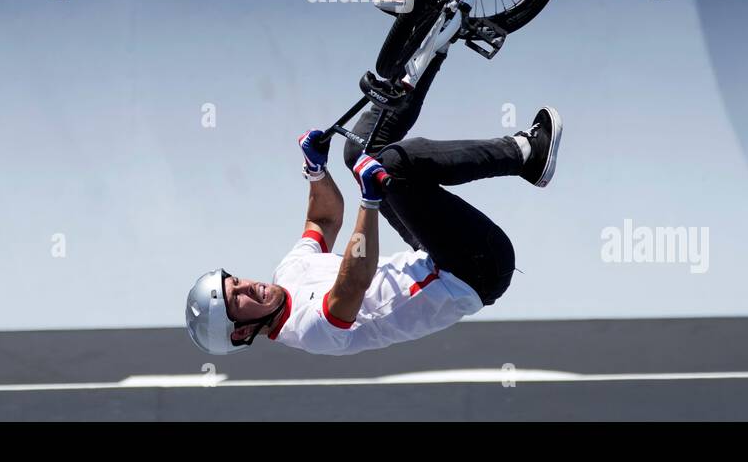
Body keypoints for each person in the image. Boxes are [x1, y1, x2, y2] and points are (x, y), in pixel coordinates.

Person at [184, 53, 562, 355]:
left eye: (237, 281)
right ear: (242, 332)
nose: (249, 287)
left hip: (433, 255)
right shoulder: (310, 331)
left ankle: (433, 43)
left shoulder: (287, 273)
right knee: (396, 165)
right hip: (473, 272)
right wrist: (369, 200)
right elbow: (355, 281)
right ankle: (525, 154)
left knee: (357, 151)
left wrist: (316, 171)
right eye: (239, 300)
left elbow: (324, 218)